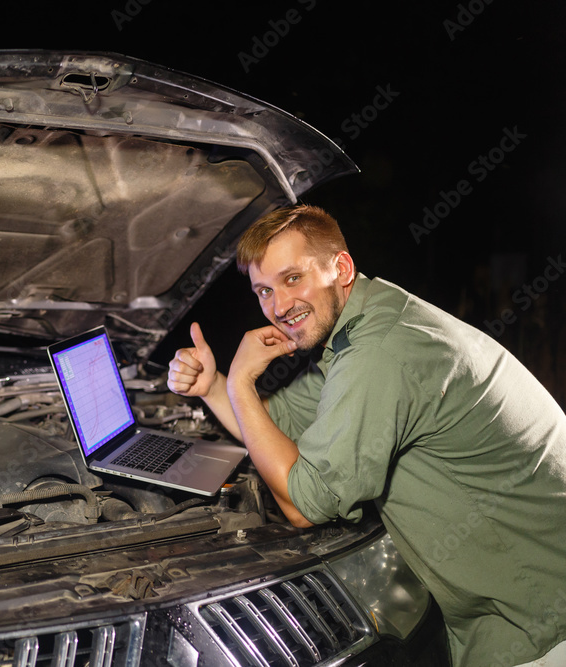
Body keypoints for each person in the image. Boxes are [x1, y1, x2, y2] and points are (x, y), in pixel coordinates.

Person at [167, 204, 566, 667]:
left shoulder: (377, 352)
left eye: (292, 278)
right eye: (264, 290)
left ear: (341, 267)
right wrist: (213, 387)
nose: (277, 307)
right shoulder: (365, 322)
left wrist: (239, 383)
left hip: (544, 621)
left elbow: (302, 505)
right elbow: (279, 429)